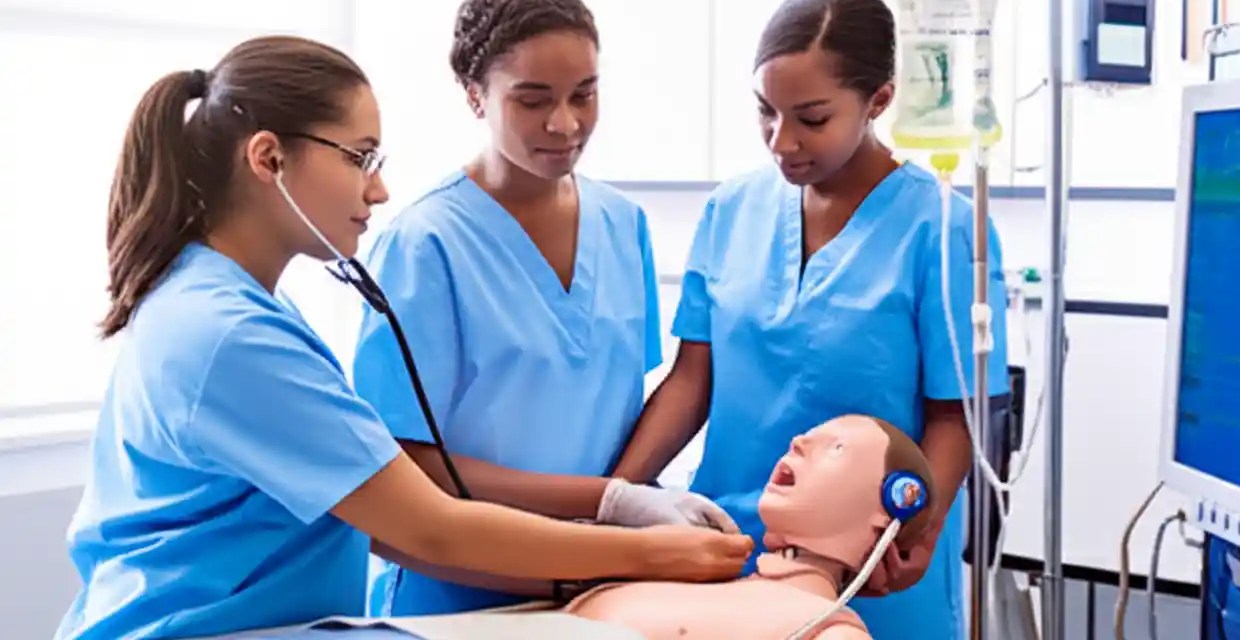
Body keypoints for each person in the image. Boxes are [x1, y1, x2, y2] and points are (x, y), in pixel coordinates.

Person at [55, 35, 752, 640]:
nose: (380, 188)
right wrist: (655, 549)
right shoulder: (229, 336)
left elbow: (394, 523)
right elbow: (423, 527)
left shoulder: (219, 301)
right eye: (360, 157)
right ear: (268, 160)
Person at [608, 0, 1011, 639]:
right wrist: (614, 500)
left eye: (812, 118)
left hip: (872, 560)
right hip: (727, 547)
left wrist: (918, 525)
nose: (781, 140)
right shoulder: (731, 211)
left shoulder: (942, 229)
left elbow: (953, 414)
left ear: (878, 99)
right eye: (766, 111)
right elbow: (692, 382)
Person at [350, 0, 734, 618]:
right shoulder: (425, 246)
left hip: (601, 585)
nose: (566, 123)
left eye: (584, 94)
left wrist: (629, 507)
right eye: (533, 101)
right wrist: (606, 504)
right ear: (476, 97)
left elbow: (617, 408)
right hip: (460, 589)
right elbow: (407, 467)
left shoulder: (622, 224)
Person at [563, 414, 938, 639]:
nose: (799, 441)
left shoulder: (828, 630)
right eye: (809, 435)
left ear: (890, 508)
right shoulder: (690, 567)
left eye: (836, 448)